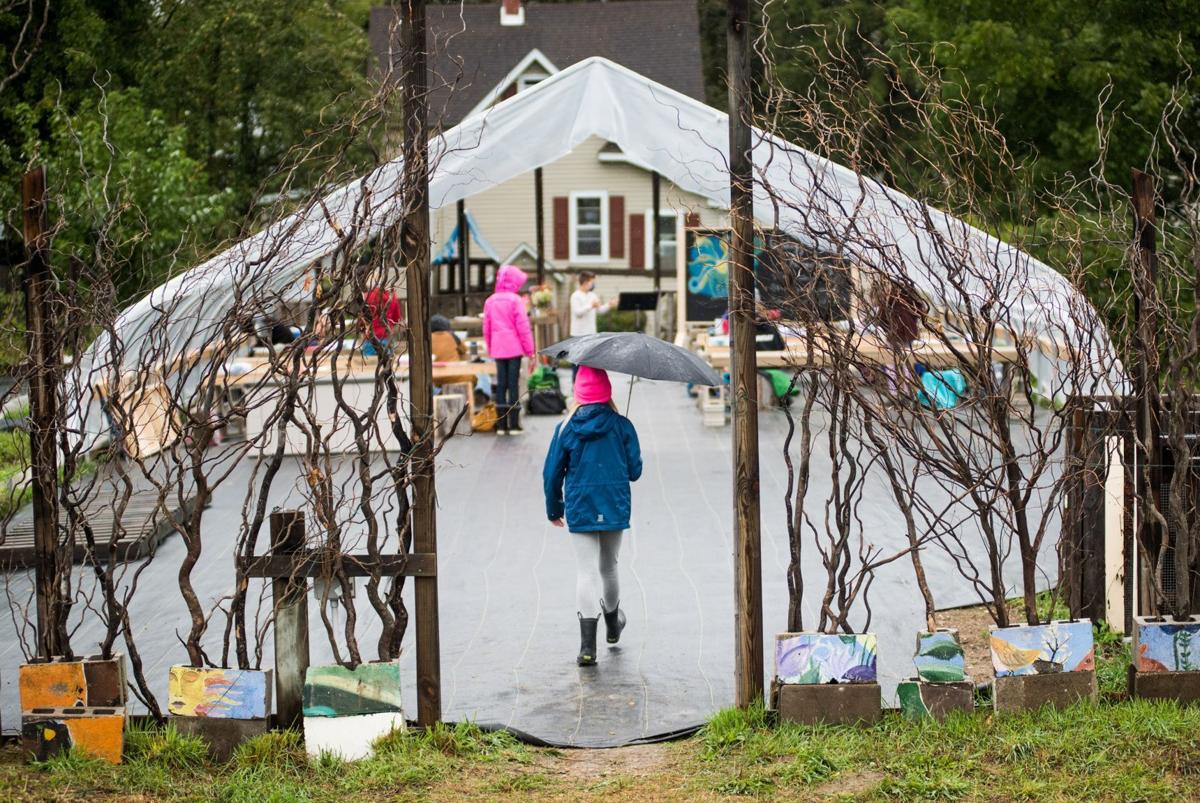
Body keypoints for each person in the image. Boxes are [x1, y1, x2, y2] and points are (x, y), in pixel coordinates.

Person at [542, 366, 642, 666]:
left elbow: (551, 473)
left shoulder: (566, 428)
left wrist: (554, 508)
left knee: (584, 572)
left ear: (578, 394)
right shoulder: (622, 426)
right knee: (609, 567)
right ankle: (612, 624)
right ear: (607, 392)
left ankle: (587, 648)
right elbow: (635, 472)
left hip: (581, 505)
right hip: (613, 505)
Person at [483, 264, 535, 434]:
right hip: (514, 348)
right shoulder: (515, 300)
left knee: (501, 384)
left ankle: (501, 425)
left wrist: (490, 347)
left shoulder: (490, 301)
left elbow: (486, 327)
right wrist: (530, 350)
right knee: (513, 384)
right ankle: (514, 425)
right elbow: (523, 328)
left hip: (498, 348)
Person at [362, 287, 403, 356]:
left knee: (370, 362)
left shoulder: (367, 296)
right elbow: (396, 319)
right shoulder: (392, 297)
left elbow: (362, 320)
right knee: (387, 361)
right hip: (387, 338)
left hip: (370, 339)